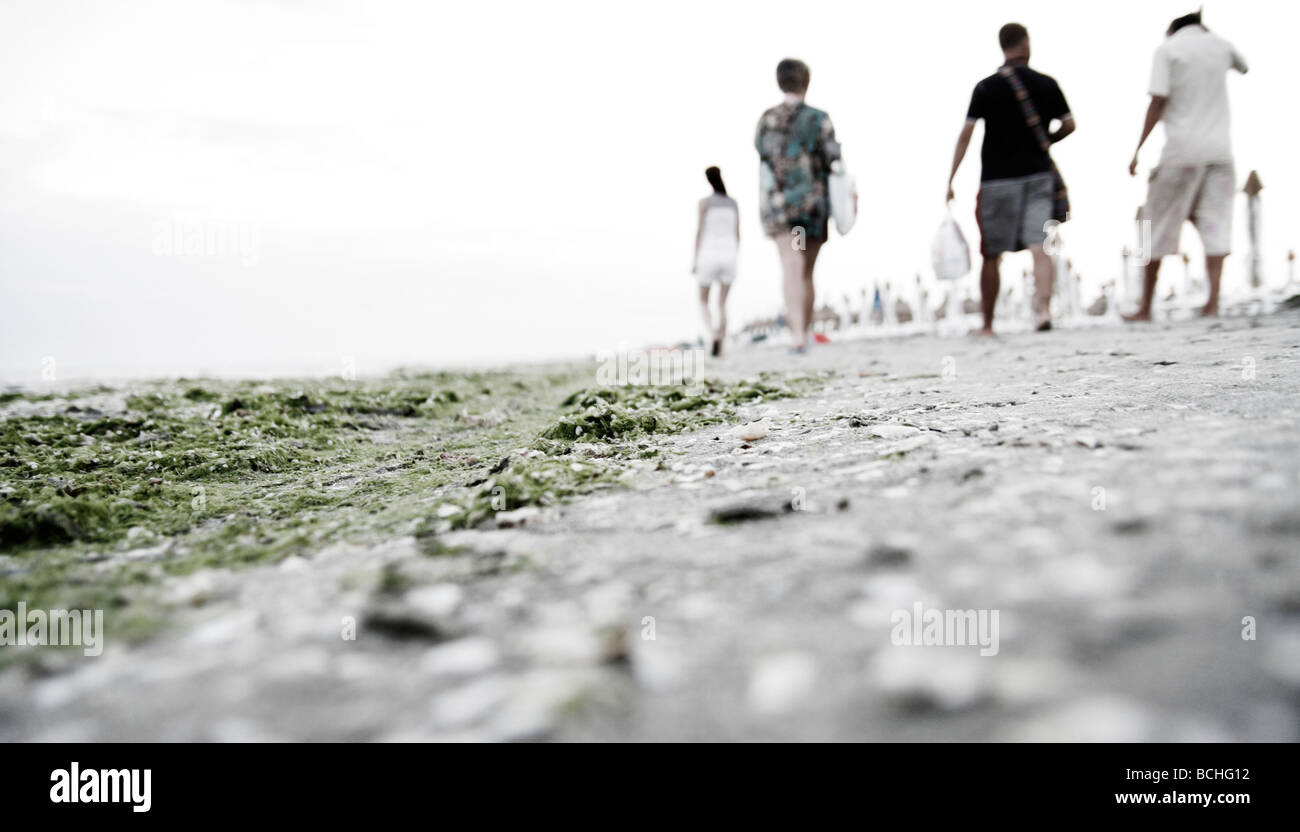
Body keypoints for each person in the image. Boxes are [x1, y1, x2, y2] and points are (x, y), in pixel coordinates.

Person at [947, 23, 1075, 334]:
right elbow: (1069, 124)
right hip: (1038, 175)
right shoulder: (1046, 84)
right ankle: (1043, 312)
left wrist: (950, 177)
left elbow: (966, 134)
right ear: (1026, 44)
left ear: (1002, 46)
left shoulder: (986, 87)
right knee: (1039, 244)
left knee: (992, 252)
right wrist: (1046, 141)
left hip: (997, 180)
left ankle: (987, 324)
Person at [1125, 10, 1248, 321]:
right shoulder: (1220, 44)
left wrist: (1138, 148)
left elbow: (1158, 100)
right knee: (1216, 227)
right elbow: (1244, 66)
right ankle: (1212, 304)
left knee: (1155, 226)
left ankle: (1144, 308)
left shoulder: (1168, 50)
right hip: (1221, 153)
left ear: (1172, 30)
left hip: (1182, 152)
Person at [755, 58, 844, 353]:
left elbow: (763, 156)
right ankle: (801, 333)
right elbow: (834, 159)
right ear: (806, 81)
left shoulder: (767, 120)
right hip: (811, 208)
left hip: (782, 208)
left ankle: (797, 336)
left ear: (780, 82)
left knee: (792, 267)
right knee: (805, 271)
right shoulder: (819, 119)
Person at [693, 166, 739, 356]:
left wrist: (695, 259)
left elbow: (700, 231)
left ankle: (713, 334)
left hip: (708, 253)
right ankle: (722, 342)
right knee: (722, 303)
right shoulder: (733, 204)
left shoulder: (704, 203)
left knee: (704, 300)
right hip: (729, 254)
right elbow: (738, 234)